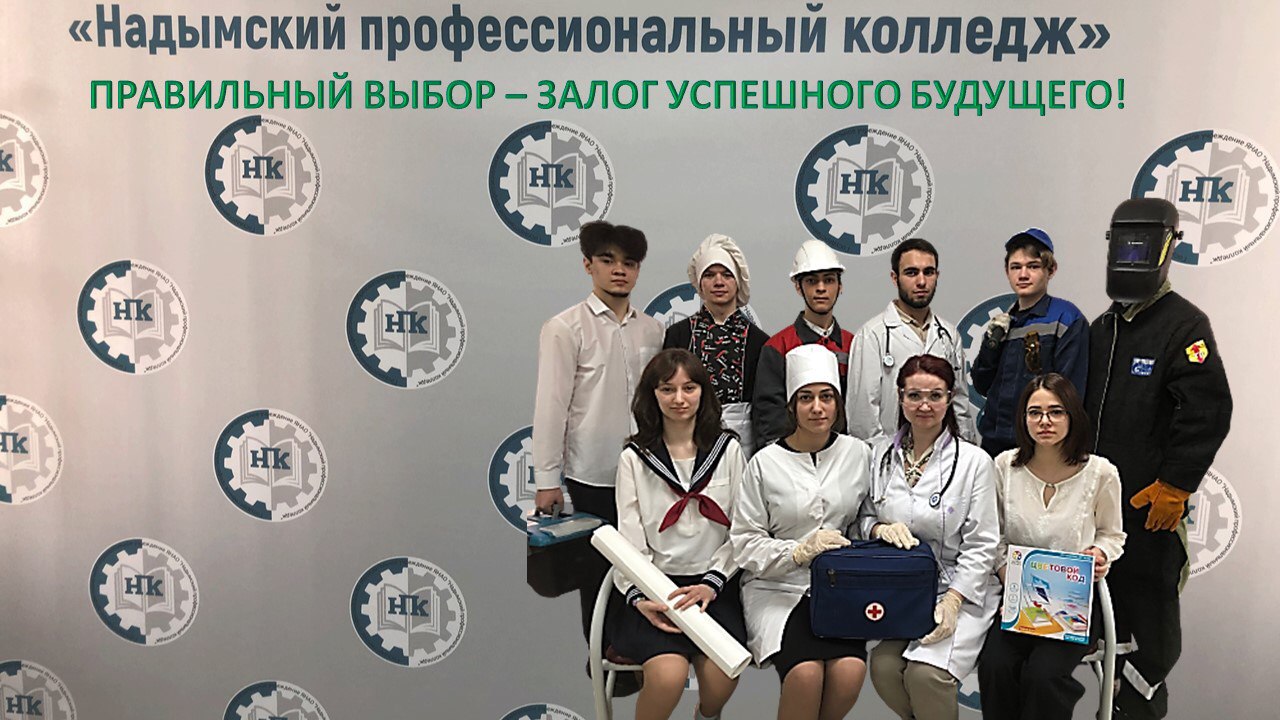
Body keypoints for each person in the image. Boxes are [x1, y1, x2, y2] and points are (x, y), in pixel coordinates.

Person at [1084, 198, 1232, 720]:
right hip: (1094, 517)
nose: (1130, 256)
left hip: (1150, 512)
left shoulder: (1184, 326)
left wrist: (1175, 484)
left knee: (1149, 636)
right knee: (1101, 638)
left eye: (1140, 246)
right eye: (1122, 245)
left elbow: (1208, 411)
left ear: (1167, 248)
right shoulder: (1102, 328)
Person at [532, 220, 664, 649]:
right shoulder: (564, 328)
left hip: (647, 471)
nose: (619, 270)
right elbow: (551, 406)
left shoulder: (653, 330)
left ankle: (641, 654)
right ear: (588, 265)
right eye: (608, 260)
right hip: (592, 472)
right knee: (597, 571)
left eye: (630, 263)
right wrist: (547, 479)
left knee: (645, 567)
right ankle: (602, 656)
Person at [732, 344, 874, 720]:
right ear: (791, 406)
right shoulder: (764, 463)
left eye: (826, 397)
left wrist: (879, 527)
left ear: (838, 403)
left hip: (839, 585)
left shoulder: (858, 454)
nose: (817, 408)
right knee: (806, 675)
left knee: (850, 672)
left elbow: (866, 516)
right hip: (777, 587)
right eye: (806, 398)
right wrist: (796, 551)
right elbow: (744, 542)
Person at [858, 354, 999, 720]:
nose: (925, 405)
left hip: (958, 589)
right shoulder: (879, 455)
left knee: (925, 675)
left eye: (935, 396)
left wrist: (953, 600)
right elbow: (864, 517)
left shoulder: (974, 462)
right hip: (904, 588)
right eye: (915, 395)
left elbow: (983, 544)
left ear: (949, 399)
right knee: (884, 668)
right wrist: (878, 529)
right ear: (900, 397)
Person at [978, 373, 1126, 720]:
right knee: (996, 667)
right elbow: (993, 536)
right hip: (1017, 600)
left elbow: (1112, 535)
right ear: (1023, 418)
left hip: (1072, 604)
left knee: (1044, 677)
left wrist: (1100, 554)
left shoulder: (1100, 473)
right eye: (1035, 412)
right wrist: (1006, 574)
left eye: (1056, 412)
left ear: (1072, 416)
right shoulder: (1004, 467)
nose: (1045, 421)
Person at [613, 349, 748, 720]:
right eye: (667, 389)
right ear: (652, 395)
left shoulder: (728, 449)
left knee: (721, 676)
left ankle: (705, 715)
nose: (679, 399)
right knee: (668, 676)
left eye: (689, 388)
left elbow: (743, 528)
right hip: (656, 589)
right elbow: (629, 540)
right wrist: (642, 597)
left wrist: (712, 583)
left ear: (703, 391)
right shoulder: (635, 457)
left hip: (713, 587)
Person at [970, 229, 1089, 457]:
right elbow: (981, 384)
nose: (1023, 275)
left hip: (1040, 445)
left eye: (1033, 266)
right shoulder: (1003, 323)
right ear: (1007, 272)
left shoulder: (1066, 318)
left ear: (1051, 270)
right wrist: (991, 345)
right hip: (994, 443)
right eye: (1016, 267)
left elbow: (1070, 393)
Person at [847, 238, 976, 443]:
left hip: (945, 453)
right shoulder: (872, 335)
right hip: (890, 453)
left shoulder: (949, 335)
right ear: (894, 277)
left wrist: (965, 449)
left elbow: (959, 403)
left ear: (937, 276)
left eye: (928, 272)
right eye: (911, 272)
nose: (921, 281)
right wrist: (883, 456)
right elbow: (863, 416)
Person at [664, 234, 770, 456]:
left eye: (727, 275)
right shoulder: (678, 335)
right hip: (687, 440)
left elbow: (765, 406)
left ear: (738, 282)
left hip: (743, 444)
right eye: (710, 275)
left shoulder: (758, 341)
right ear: (699, 284)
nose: (718, 282)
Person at [752, 240, 855, 449]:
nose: (821, 288)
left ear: (840, 286)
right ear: (798, 287)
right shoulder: (778, 347)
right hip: (791, 458)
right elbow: (769, 419)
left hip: (844, 457)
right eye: (811, 281)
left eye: (829, 280)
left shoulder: (854, 345)